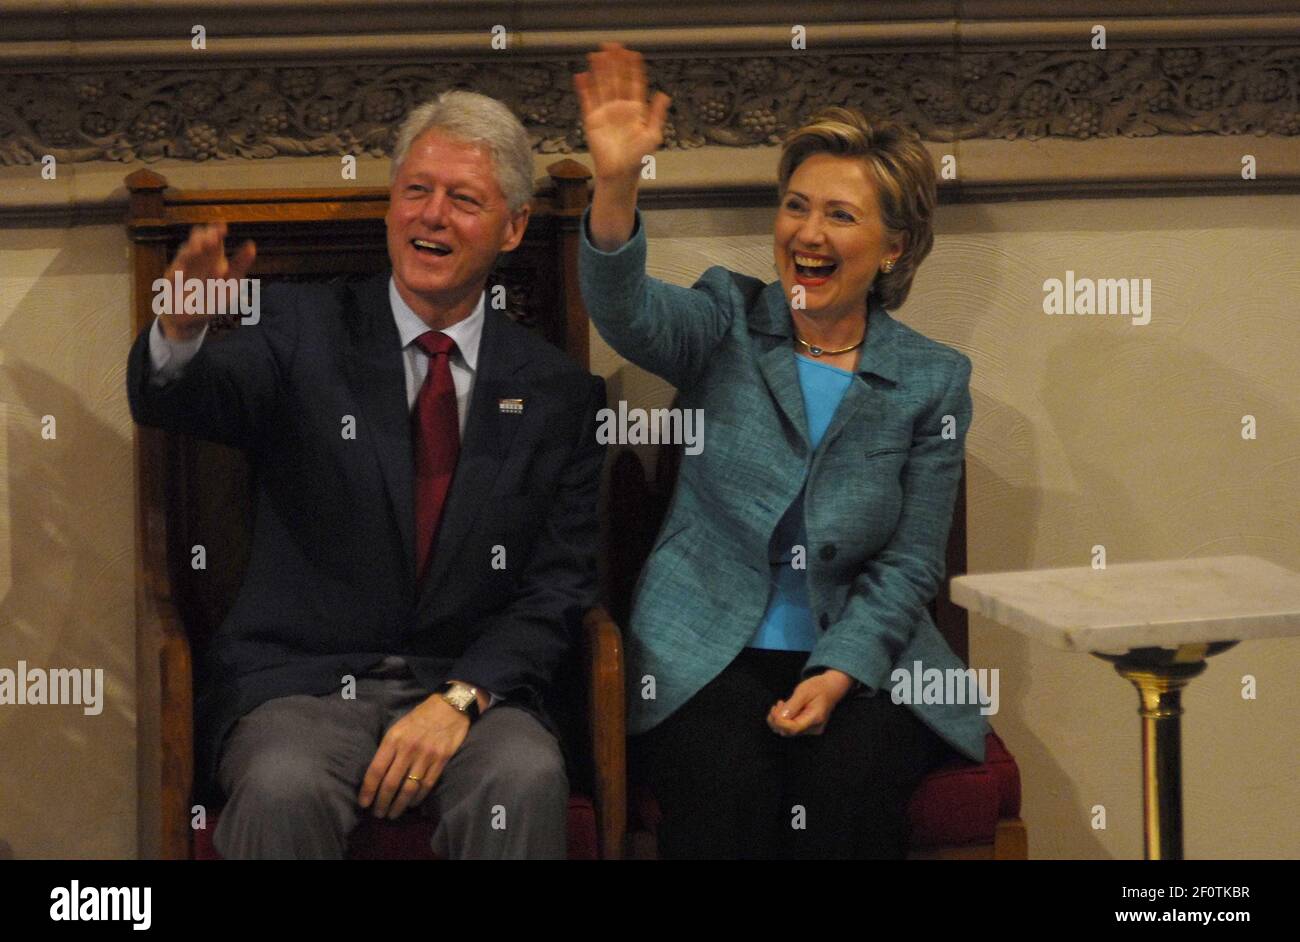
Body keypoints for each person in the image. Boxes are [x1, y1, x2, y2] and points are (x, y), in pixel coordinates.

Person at [126, 91, 606, 859]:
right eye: (416, 191)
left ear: (514, 227)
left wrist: (461, 698)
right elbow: (181, 400)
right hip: (301, 687)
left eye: (463, 199)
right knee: (283, 786)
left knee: (523, 778)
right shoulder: (300, 329)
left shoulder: (558, 394)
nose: (431, 216)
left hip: (472, 689)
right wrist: (179, 333)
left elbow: (559, 587)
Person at [575, 43, 989, 859]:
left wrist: (837, 673)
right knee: (728, 797)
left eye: (840, 215)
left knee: (849, 796)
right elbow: (623, 313)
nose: (808, 232)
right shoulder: (725, 320)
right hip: (703, 654)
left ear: (894, 247)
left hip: (865, 655)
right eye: (796, 207)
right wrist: (617, 181)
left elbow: (909, 566)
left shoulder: (933, 381)